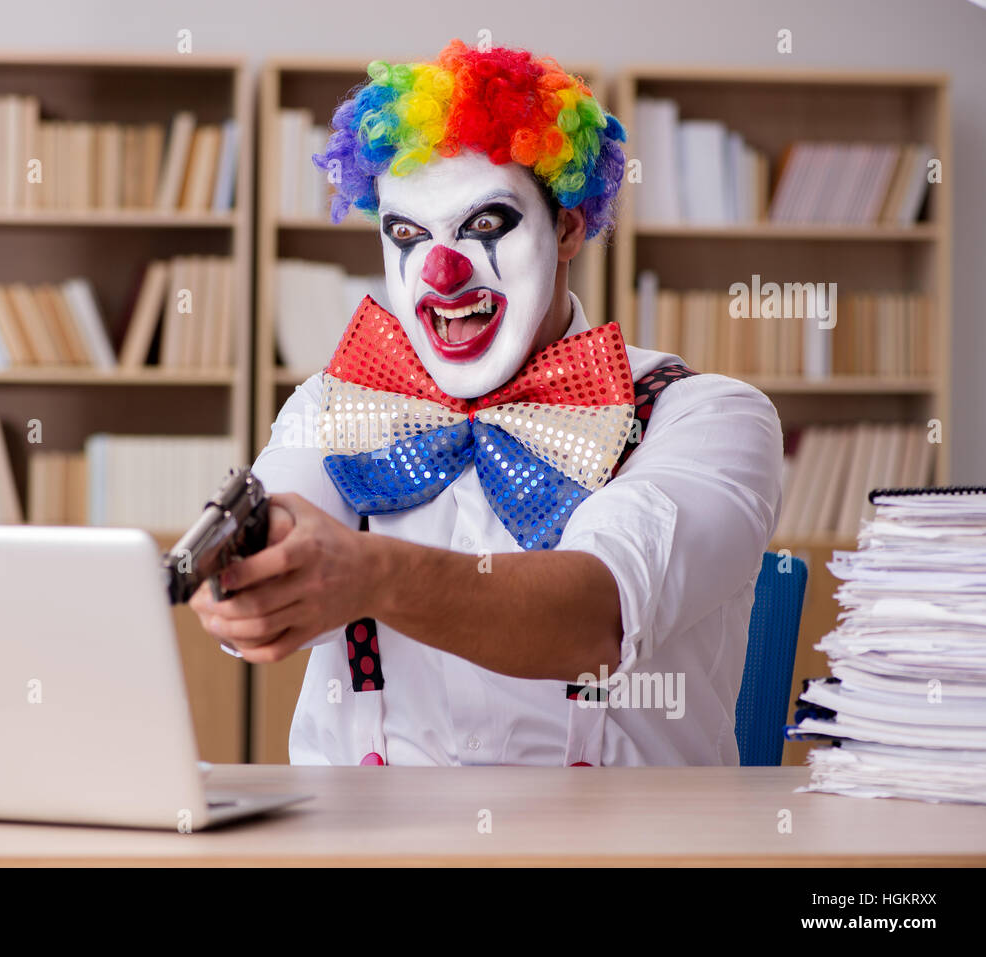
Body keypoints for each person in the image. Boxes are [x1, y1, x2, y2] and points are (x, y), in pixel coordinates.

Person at [190, 40, 783, 767]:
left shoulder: (708, 416)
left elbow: (595, 618)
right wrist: (249, 574)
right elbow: (280, 561)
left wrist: (369, 572)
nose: (439, 272)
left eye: (483, 226)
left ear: (567, 226)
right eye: (408, 235)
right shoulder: (332, 405)